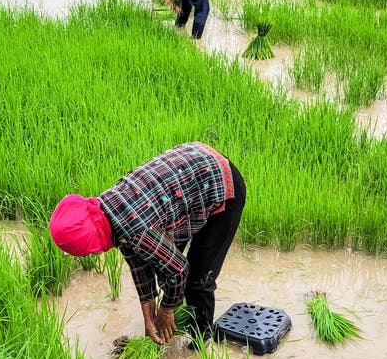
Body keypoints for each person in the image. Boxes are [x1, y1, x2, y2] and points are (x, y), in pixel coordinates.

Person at [49, 142, 246, 347]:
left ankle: (200, 344)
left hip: (222, 183)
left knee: (197, 280)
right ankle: (182, 316)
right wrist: (149, 317)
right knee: (163, 264)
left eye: (87, 250)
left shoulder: (135, 229)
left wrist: (166, 311)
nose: (92, 253)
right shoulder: (108, 212)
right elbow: (138, 261)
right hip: (193, 172)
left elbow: (179, 270)